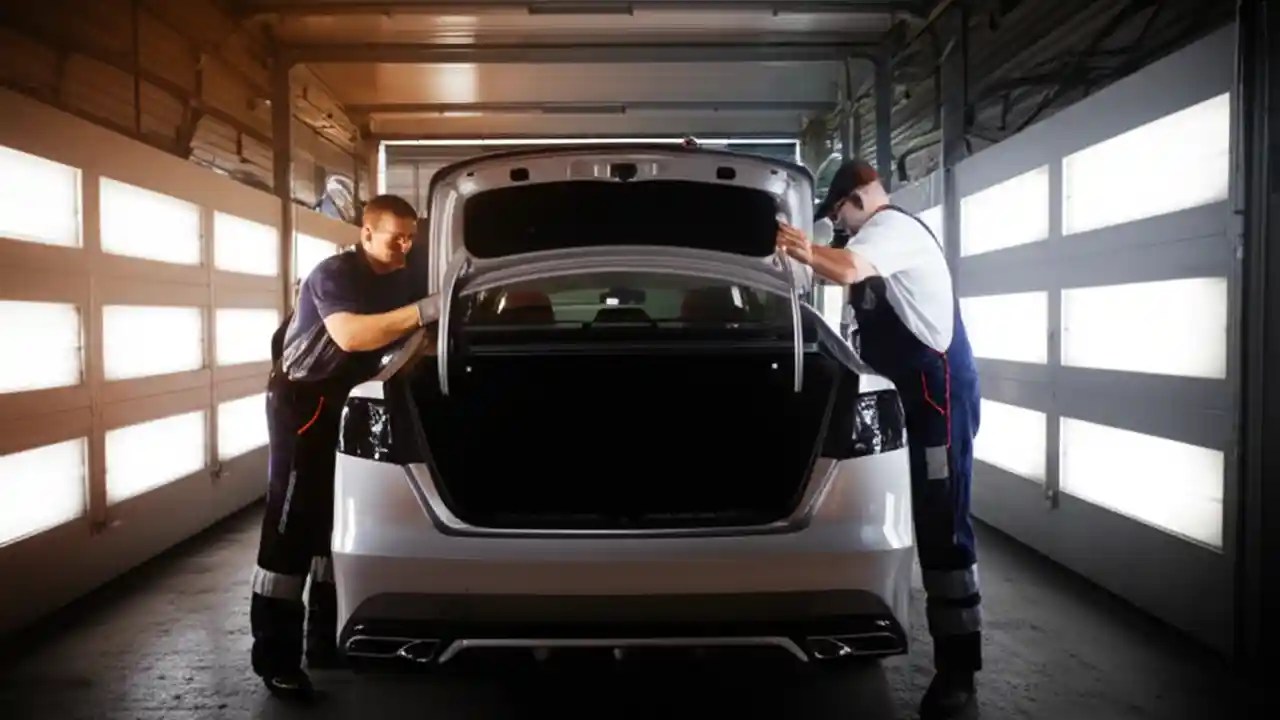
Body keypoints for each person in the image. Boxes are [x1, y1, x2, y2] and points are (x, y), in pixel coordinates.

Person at [777, 160, 982, 720]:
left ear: (858, 197)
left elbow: (843, 270)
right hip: (903, 399)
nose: (837, 225)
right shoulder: (870, 240)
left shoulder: (890, 230)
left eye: (837, 213)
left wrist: (797, 246)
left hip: (939, 402)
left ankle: (958, 672)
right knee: (894, 520)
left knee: (943, 527)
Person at [249, 194, 441, 700]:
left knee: (336, 520)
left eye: (410, 235)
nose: (405, 244)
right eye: (395, 235)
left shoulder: (406, 272)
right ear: (367, 234)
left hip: (350, 401)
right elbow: (351, 336)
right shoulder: (335, 274)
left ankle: (323, 642)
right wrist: (424, 311)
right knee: (291, 524)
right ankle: (275, 658)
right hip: (303, 401)